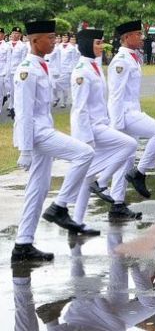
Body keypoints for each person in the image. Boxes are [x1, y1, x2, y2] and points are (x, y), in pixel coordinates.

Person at [12, 18, 96, 263]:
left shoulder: (42, 65)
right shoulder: (27, 69)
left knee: (38, 189)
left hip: (42, 128)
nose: (53, 41)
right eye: (49, 37)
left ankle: (23, 245)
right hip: (37, 132)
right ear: (34, 40)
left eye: (53, 36)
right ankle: (60, 206)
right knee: (84, 153)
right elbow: (25, 112)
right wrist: (25, 149)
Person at [69, 28, 138, 227]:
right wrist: (86, 139)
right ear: (86, 45)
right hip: (90, 129)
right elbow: (79, 108)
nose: (101, 47)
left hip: (100, 125)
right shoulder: (82, 70)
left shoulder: (94, 66)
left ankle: (76, 222)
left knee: (88, 175)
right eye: (97, 43)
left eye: (101, 43)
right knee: (129, 144)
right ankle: (102, 181)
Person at [107, 20, 155, 203]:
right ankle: (140, 172)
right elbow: (116, 94)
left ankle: (117, 204)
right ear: (126, 37)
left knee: (126, 159)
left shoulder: (132, 57)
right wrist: (116, 125)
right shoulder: (121, 61)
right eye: (137, 34)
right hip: (125, 113)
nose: (141, 37)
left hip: (132, 110)